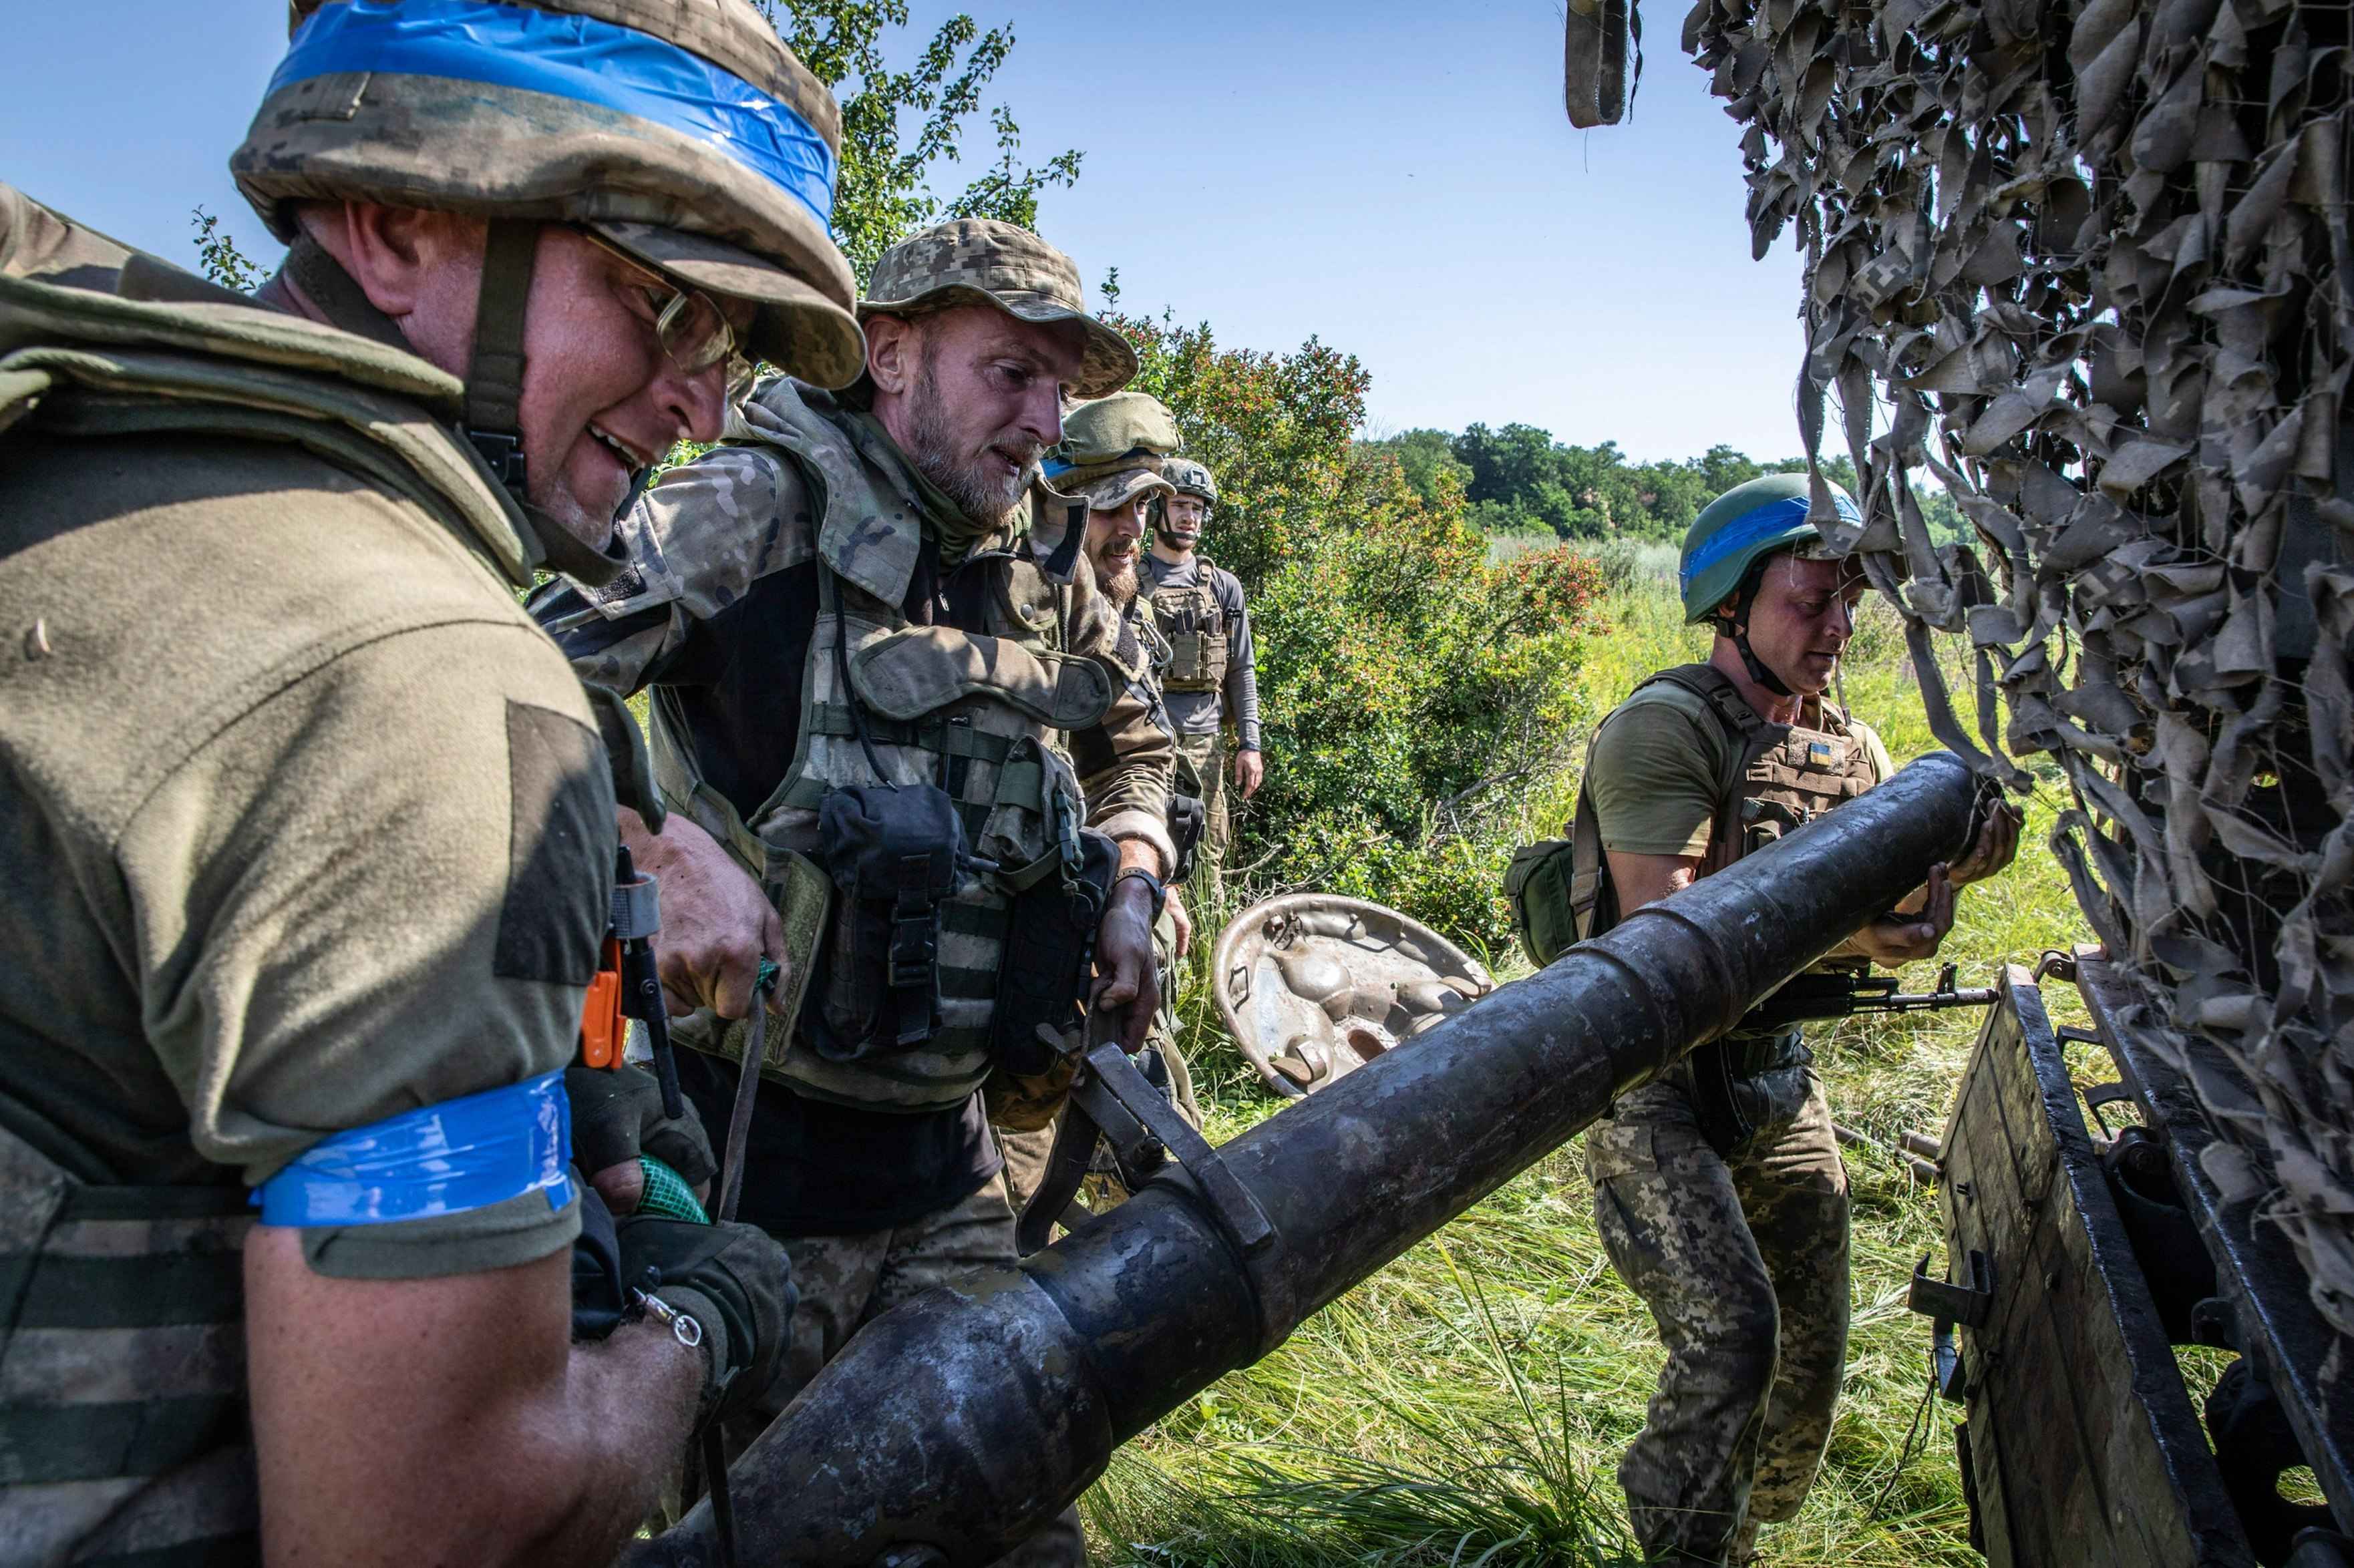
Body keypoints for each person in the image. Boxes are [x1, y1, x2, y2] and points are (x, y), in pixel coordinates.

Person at [0, 3, 850, 1563]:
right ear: (397, 223)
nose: (701, 401)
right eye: (658, 300)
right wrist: (694, 1333)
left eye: (725, 348)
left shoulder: (82, 467)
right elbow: (446, 1521)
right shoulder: (421, 676)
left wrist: (610, 1136)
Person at [533, 216, 1176, 1567]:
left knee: (1023, 1519)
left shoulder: (1043, 563)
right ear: (890, 354)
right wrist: (655, 851)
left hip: (951, 1179)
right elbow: (514, 680)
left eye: (1061, 388)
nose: (1043, 420)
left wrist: (1132, 873)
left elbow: (1138, 738)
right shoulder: (748, 513)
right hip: (756, 1190)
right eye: (1011, 373)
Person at [1571, 475, 2021, 1566]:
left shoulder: (1848, 749)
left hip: (1773, 1075)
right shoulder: (1660, 730)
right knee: (1732, 1339)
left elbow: (1888, 901)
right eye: (1807, 601)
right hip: (1654, 1087)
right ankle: (1683, 1540)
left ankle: (1748, 1525)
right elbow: (1659, 937)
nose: (1835, 627)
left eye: (1846, 604)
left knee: (1808, 1353)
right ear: (1729, 604)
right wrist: (1861, 934)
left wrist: (1952, 865)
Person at [998, 393, 1203, 1215]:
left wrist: (1141, 877)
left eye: (1142, 504)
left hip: (1073, 930)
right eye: (1110, 503)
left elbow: (1136, 753)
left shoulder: (1102, 605)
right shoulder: (1024, 579)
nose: (1128, 527)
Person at [1142, 456, 1263, 903]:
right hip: (1144, 740)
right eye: (1179, 505)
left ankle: (1201, 959)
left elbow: (1241, 668)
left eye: (1197, 508)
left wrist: (1250, 744)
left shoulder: (1223, 587)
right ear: (1157, 509)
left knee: (1206, 857)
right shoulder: (1128, 578)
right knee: (1142, 846)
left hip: (1207, 745)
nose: (1189, 517)